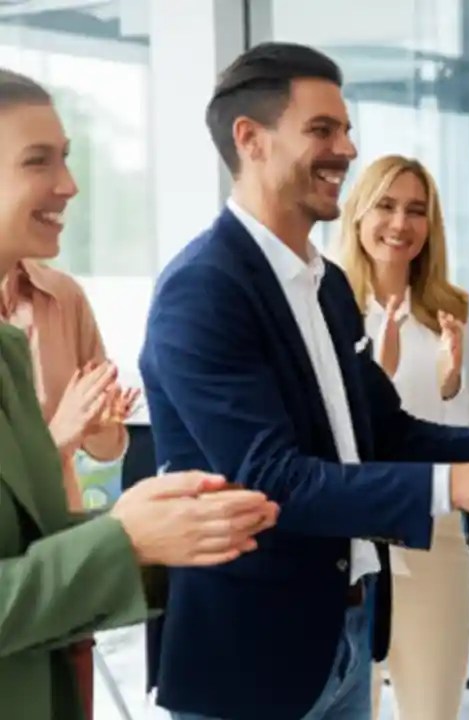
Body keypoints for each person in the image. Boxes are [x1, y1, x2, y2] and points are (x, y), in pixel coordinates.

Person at [138, 43, 469, 720]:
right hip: (253, 655)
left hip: (349, 630)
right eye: (322, 130)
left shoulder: (327, 284)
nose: (346, 148)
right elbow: (273, 477)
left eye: (345, 129)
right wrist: (453, 486)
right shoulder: (203, 291)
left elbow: (382, 428)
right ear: (250, 139)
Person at [0, 66, 279, 720]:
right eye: (38, 162)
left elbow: (26, 552)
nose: (69, 185)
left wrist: (159, 532)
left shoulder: (13, 349)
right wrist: (122, 541)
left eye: (66, 159)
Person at [336, 154, 469, 720]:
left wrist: (451, 383)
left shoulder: (458, 312)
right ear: (357, 214)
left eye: (416, 210)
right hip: (346, 546)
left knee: (433, 711)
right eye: (386, 205)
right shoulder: (328, 308)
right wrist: (376, 378)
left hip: (435, 540)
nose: (400, 224)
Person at [0, 151, 140, 720]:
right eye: (39, 161)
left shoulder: (65, 297)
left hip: (69, 544)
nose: (70, 186)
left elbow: (106, 446)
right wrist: (56, 435)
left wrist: (101, 429)